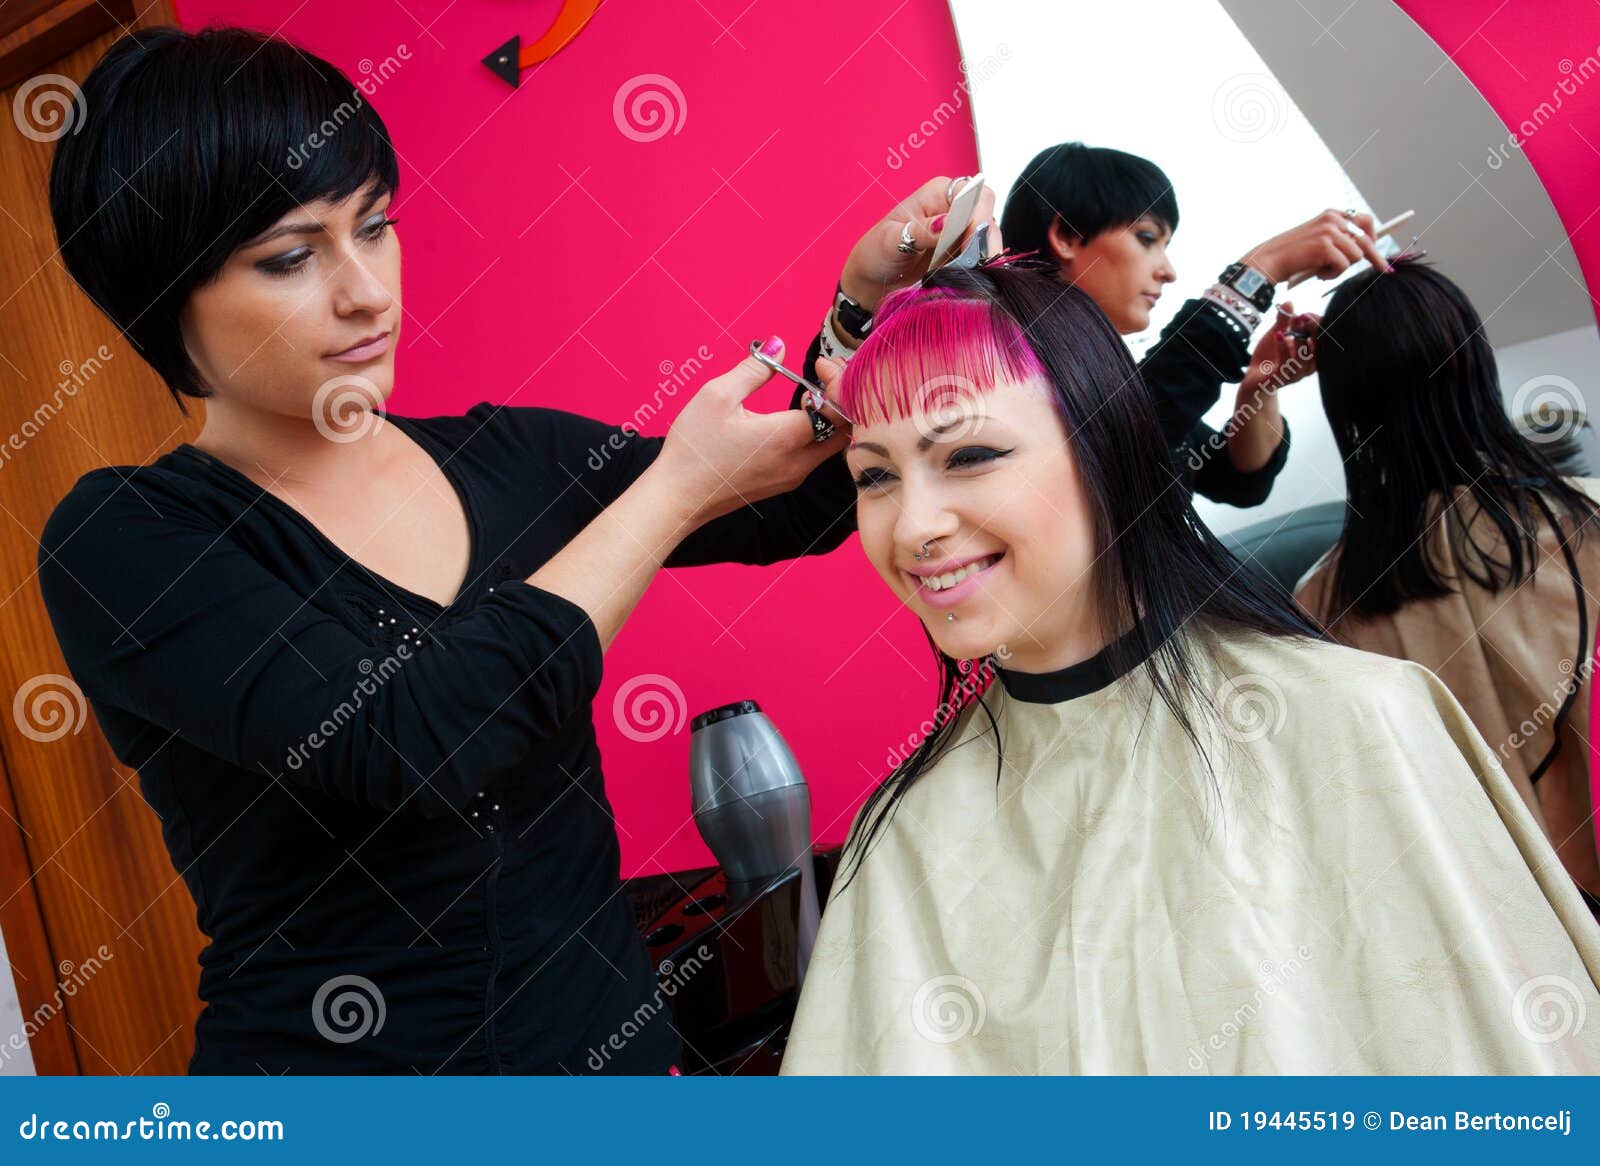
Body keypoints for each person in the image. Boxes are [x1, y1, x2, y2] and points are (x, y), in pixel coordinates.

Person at [34, 25, 949, 1074]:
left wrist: (859, 311)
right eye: (290, 256)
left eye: (374, 226)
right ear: (162, 296)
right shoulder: (130, 538)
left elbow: (798, 501)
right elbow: (421, 740)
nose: (367, 291)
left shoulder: (509, 457)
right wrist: (671, 491)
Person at [779, 260, 1600, 1074]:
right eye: (874, 475)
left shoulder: (1356, 718)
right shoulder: (905, 835)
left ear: (1106, 447)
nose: (912, 527)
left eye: (969, 455)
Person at [1295, 259, 1600, 921]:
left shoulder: (1317, 608)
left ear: (1346, 406)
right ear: (1477, 368)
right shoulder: (1589, 521)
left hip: (1487, 927)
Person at [1000, 142, 1388, 506]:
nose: (1168, 271)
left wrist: (1260, 386)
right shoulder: (1007, 369)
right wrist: (1263, 268)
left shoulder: (1107, 374)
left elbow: (1236, 480)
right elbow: (1125, 441)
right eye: (1147, 238)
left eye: (1164, 245)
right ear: (1067, 235)